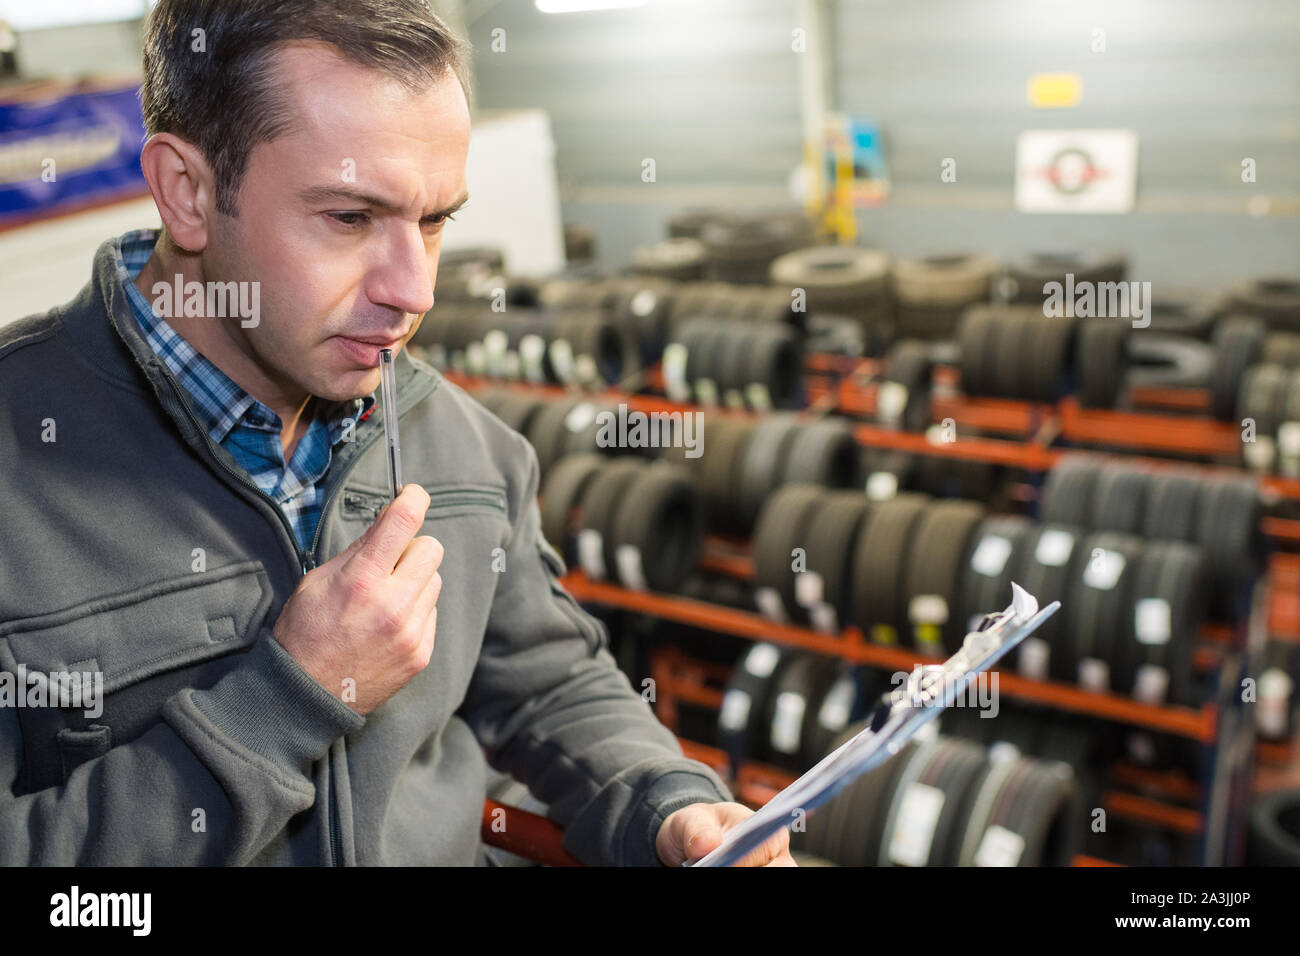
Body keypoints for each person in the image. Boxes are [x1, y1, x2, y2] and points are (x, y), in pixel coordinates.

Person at [0, 0, 793, 867]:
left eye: (434, 220)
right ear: (187, 193)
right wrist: (288, 698)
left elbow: (549, 684)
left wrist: (665, 799)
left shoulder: (466, 447)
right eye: (349, 218)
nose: (413, 290)